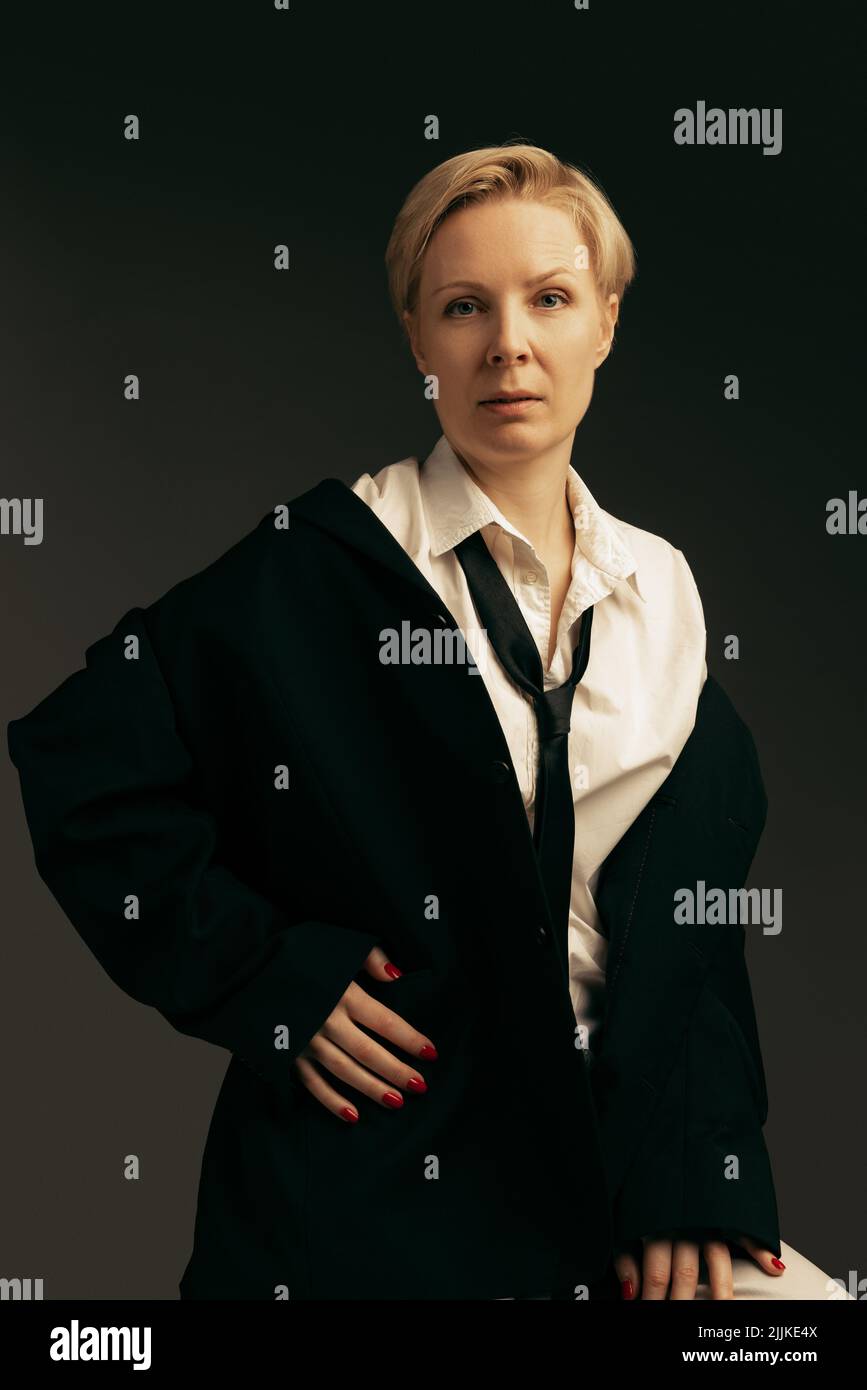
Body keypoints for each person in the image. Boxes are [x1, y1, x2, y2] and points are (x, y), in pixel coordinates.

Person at [6, 142, 851, 1301]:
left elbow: (687, 944)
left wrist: (700, 1176)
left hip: (619, 1174)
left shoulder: (664, 591)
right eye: (465, 307)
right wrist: (264, 976)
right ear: (419, 340)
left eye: (549, 298)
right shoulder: (321, 566)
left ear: (604, 320)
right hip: (384, 1188)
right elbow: (80, 758)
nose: (509, 342)